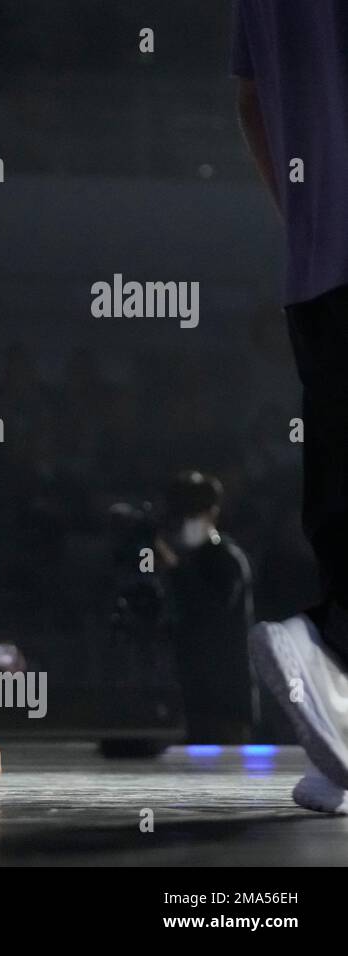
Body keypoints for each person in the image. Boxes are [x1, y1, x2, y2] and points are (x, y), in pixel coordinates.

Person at [233, 1, 348, 813]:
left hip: (318, 268)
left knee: (338, 477)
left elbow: (251, 100)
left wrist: (315, 224)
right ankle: (331, 646)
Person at [156, 472, 255, 743]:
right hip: (186, 697)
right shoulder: (181, 558)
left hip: (222, 705)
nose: (185, 522)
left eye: (192, 513)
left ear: (212, 513)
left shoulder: (226, 560)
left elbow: (209, 611)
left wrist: (175, 570)